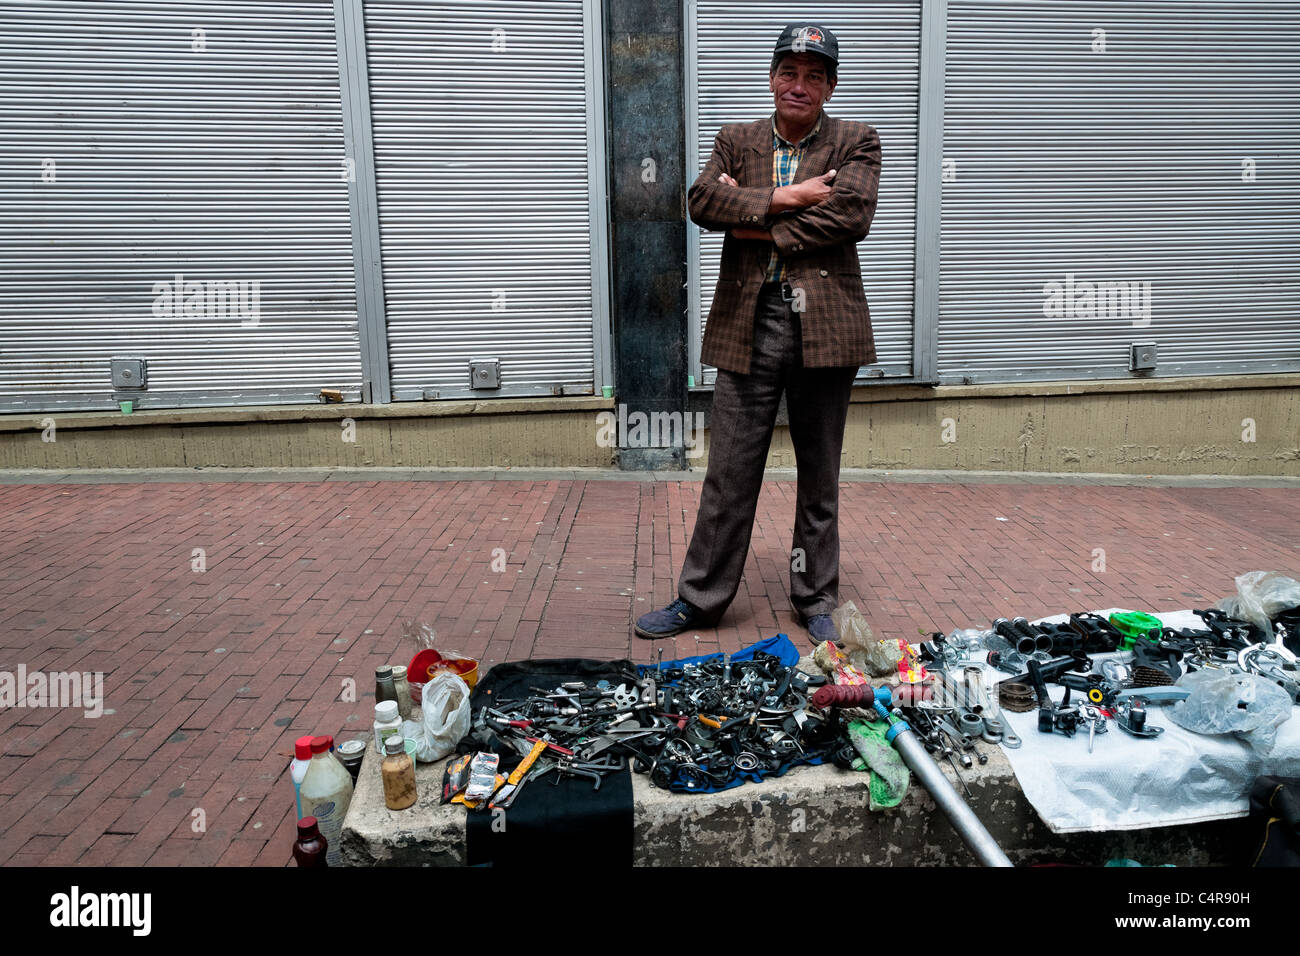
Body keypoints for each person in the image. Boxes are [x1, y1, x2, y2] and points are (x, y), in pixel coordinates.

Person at [634, 22, 882, 644]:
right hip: (749, 321)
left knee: (819, 470)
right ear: (772, 78)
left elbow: (850, 215)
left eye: (814, 76)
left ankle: (815, 597)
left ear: (828, 87)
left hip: (825, 328)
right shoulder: (735, 138)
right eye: (789, 73)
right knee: (729, 471)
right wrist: (789, 195)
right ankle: (701, 599)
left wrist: (753, 220)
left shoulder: (857, 139)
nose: (799, 85)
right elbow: (699, 202)